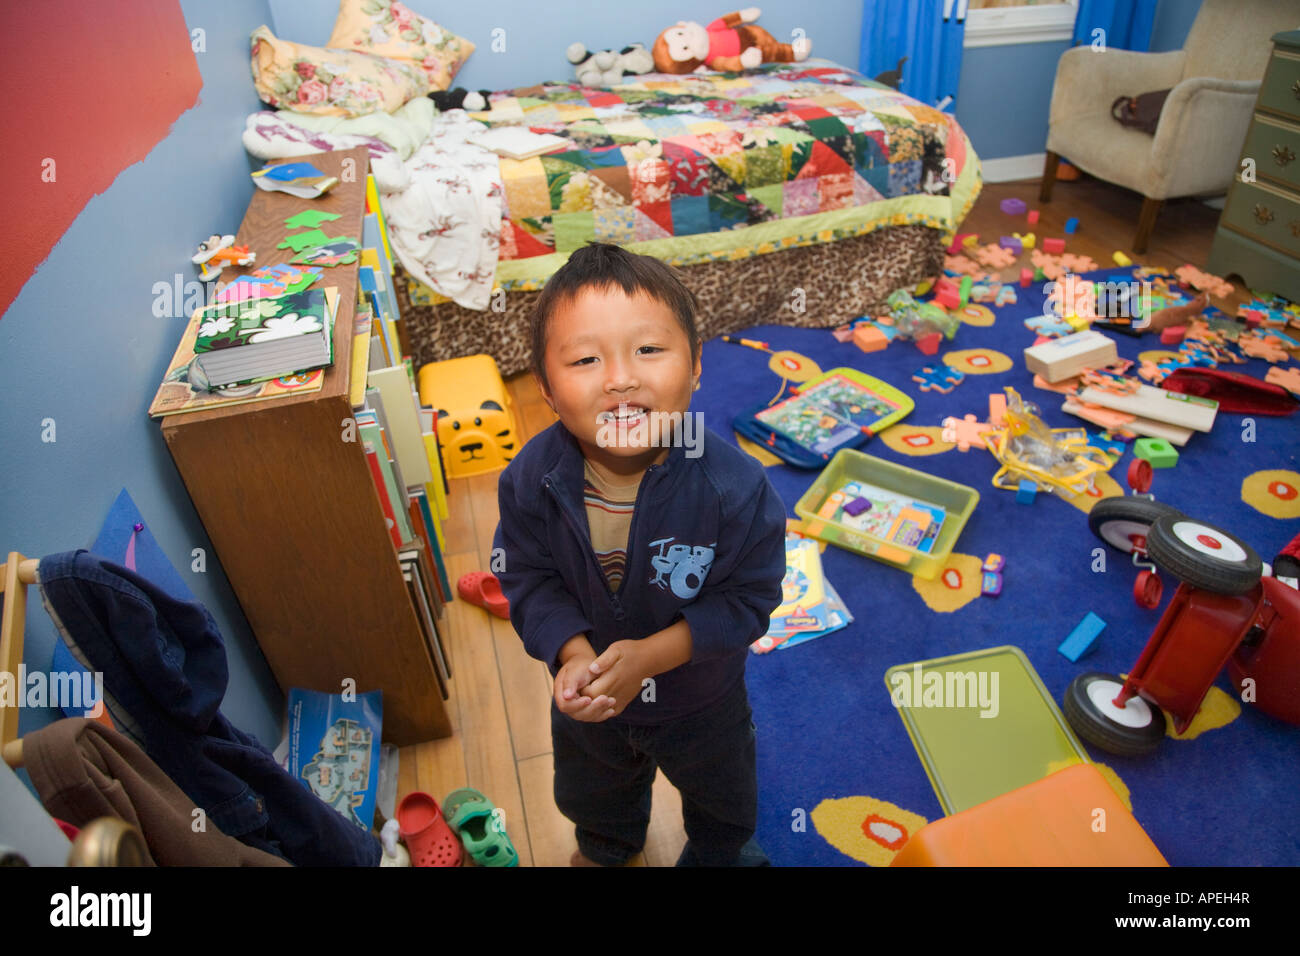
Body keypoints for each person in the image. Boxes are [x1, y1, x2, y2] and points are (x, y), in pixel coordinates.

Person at [493, 242, 787, 866]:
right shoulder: (530, 479)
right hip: (590, 701)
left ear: (697, 365)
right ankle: (605, 845)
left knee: (724, 800)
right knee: (594, 794)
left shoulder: (734, 488)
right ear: (545, 389)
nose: (621, 377)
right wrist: (573, 655)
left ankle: (719, 852)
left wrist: (653, 657)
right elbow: (527, 577)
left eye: (648, 350)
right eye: (585, 359)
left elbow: (750, 598)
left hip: (701, 701)